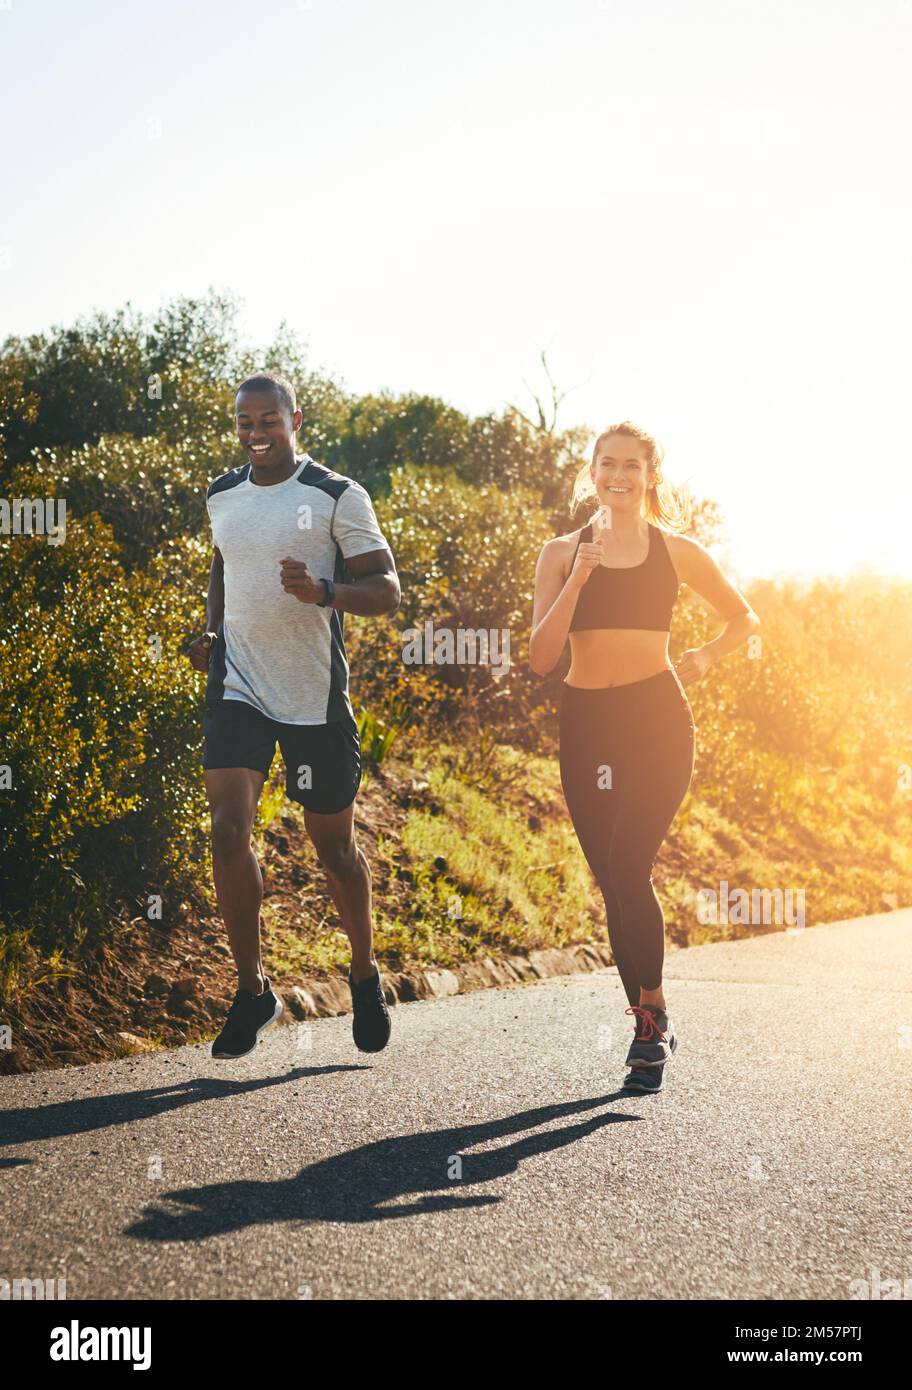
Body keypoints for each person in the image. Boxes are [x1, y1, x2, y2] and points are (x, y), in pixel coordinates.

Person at [529, 422, 759, 1093]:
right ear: (591, 471)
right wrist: (579, 577)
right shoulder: (558, 553)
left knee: (630, 865)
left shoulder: (677, 551)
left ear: (650, 476)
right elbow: (543, 660)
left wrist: (708, 656)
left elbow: (744, 617)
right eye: (608, 465)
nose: (619, 477)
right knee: (612, 879)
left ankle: (650, 1020)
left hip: (658, 720)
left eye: (632, 466)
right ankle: (647, 1018)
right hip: (588, 726)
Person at [187, 371, 400, 1060]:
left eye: (268, 421)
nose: (256, 433)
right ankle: (252, 990)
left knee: (333, 850)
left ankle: (363, 974)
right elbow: (223, 567)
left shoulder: (337, 495)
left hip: (312, 700)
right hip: (238, 685)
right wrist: (214, 634)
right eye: (245, 422)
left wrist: (325, 591)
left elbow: (387, 589)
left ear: (295, 419)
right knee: (226, 829)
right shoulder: (222, 495)